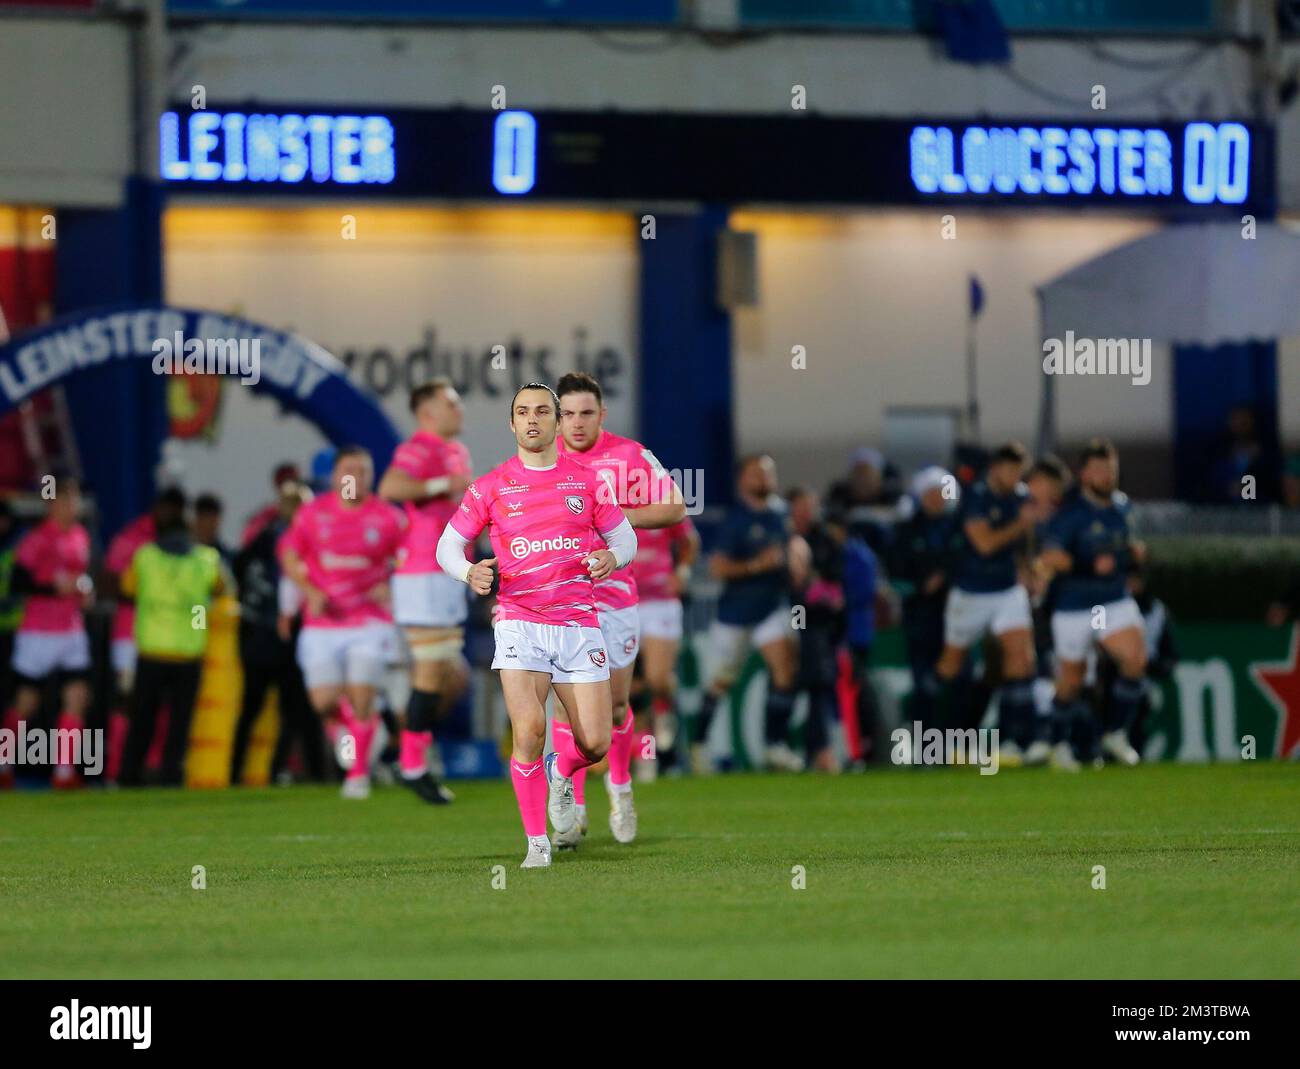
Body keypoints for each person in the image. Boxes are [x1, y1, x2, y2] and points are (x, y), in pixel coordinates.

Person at [435, 383, 636, 869]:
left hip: (578, 623)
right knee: (528, 729)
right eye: (522, 412)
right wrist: (469, 571)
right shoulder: (490, 486)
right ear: (512, 423)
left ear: (556, 422)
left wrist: (611, 554)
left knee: (594, 742)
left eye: (542, 412)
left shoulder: (586, 481)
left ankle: (562, 773)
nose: (532, 420)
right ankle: (537, 844)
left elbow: (625, 538)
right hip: (519, 623)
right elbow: (446, 547)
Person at [553, 371, 686, 845]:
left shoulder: (630, 455)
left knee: (611, 708)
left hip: (616, 601)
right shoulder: (543, 461)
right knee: (567, 711)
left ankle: (622, 786)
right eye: (567, 414)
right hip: (560, 602)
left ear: (602, 414)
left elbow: (674, 507)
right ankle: (573, 807)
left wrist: (612, 515)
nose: (576, 423)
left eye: (586, 413)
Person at [279, 447, 407, 799]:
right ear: (335, 477)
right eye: (349, 471)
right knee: (324, 703)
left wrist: (391, 580)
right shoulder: (311, 514)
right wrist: (307, 589)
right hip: (323, 623)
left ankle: (359, 773)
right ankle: (362, 733)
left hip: (370, 622)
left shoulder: (388, 517)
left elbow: (410, 555)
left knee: (362, 692)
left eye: (363, 471)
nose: (356, 478)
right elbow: (289, 555)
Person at [376, 378, 471, 806]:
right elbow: (390, 488)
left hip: (447, 572)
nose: (459, 409)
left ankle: (406, 753)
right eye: (451, 403)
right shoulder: (419, 447)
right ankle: (411, 763)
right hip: (422, 571)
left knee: (451, 677)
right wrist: (439, 484)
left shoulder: (454, 451)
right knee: (434, 672)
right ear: (427, 412)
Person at [1036, 439, 1148, 771]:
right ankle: (1057, 744)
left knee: (1134, 659)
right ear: (1084, 474)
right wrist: (1088, 565)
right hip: (1075, 604)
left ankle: (1115, 733)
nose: (1105, 476)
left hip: (1112, 600)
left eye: (1110, 469)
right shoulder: (1070, 512)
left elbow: (1126, 549)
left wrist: (1133, 558)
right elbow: (1051, 556)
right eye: (1098, 469)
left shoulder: (1123, 508)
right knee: (1072, 680)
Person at [691, 454, 802, 773]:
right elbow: (717, 567)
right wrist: (756, 565)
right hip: (736, 613)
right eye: (757, 473)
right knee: (721, 682)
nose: (765, 479)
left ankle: (774, 745)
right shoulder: (735, 519)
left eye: (769, 473)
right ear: (743, 480)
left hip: (772, 606)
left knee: (785, 669)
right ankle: (699, 744)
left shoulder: (782, 514)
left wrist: (796, 559)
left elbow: (790, 549)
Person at [934, 443, 1040, 764]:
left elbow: (1026, 544)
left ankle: (1011, 742)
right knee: (951, 664)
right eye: (1010, 470)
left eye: (1019, 471)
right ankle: (938, 740)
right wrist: (1021, 525)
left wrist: (1029, 568)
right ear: (995, 468)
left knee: (1020, 658)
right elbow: (983, 544)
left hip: (1007, 590)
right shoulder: (976, 496)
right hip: (971, 592)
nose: (1015, 477)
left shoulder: (1021, 498)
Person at [118, 490, 225, 787]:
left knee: (142, 721)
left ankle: (129, 775)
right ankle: (171, 776)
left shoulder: (145, 557)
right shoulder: (206, 559)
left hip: (152, 650)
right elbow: (220, 589)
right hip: (189, 652)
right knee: (180, 724)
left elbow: (128, 590)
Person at [1, 476, 93, 789]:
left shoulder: (81, 536)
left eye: (75, 500)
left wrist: (84, 590)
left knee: (77, 696)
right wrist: (52, 588)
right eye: (66, 500)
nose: (72, 507)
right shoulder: (36, 539)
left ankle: (63, 772)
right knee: (26, 704)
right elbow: (17, 584)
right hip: (38, 632)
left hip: (71, 630)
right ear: (52, 504)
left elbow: (79, 577)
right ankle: (3, 763)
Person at [230, 480, 323, 786]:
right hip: (287, 635)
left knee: (254, 709)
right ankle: (308, 773)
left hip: (258, 637)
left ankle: (238, 773)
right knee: (299, 710)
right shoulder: (300, 541)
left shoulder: (260, 539)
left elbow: (240, 577)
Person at [888, 466, 964, 740]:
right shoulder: (906, 532)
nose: (936, 499)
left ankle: (959, 745)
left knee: (959, 681)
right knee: (924, 684)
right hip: (921, 618)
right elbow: (895, 577)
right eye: (930, 493)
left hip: (958, 616)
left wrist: (948, 577)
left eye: (940, 493)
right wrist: (922, 587)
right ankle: (926, 748)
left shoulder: (960, 528)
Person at [630, 515, 698, 774]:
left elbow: (689, 540)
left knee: (657, 680)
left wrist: (682, 572)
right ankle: (646, 755)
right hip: (622, 600)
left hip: (660, 601)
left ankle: (665, 715)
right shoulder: (603, 494)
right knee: (631, 689)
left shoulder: (660, 498)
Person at [786, 488, 845, 771]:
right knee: (788, 683)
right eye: (800, 507)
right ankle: (781, 746)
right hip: (783, 617)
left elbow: (836, 588)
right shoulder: (779, 538)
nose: (805, 513)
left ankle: (819, 749)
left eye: (809, 507)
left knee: (819, 682)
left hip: (817, 622)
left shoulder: (825, 541)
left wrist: (814, 588)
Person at [241, 463, 302, 548]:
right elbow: (248, 541)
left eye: (295, 481)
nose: (291, 487)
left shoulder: (311, 514)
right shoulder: (266, 518)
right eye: (285, 482)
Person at [194, 493, 233, 568]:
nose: (210, 525)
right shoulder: (184, 552)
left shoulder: (227, 557)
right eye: (205, 518)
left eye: (214, 519)